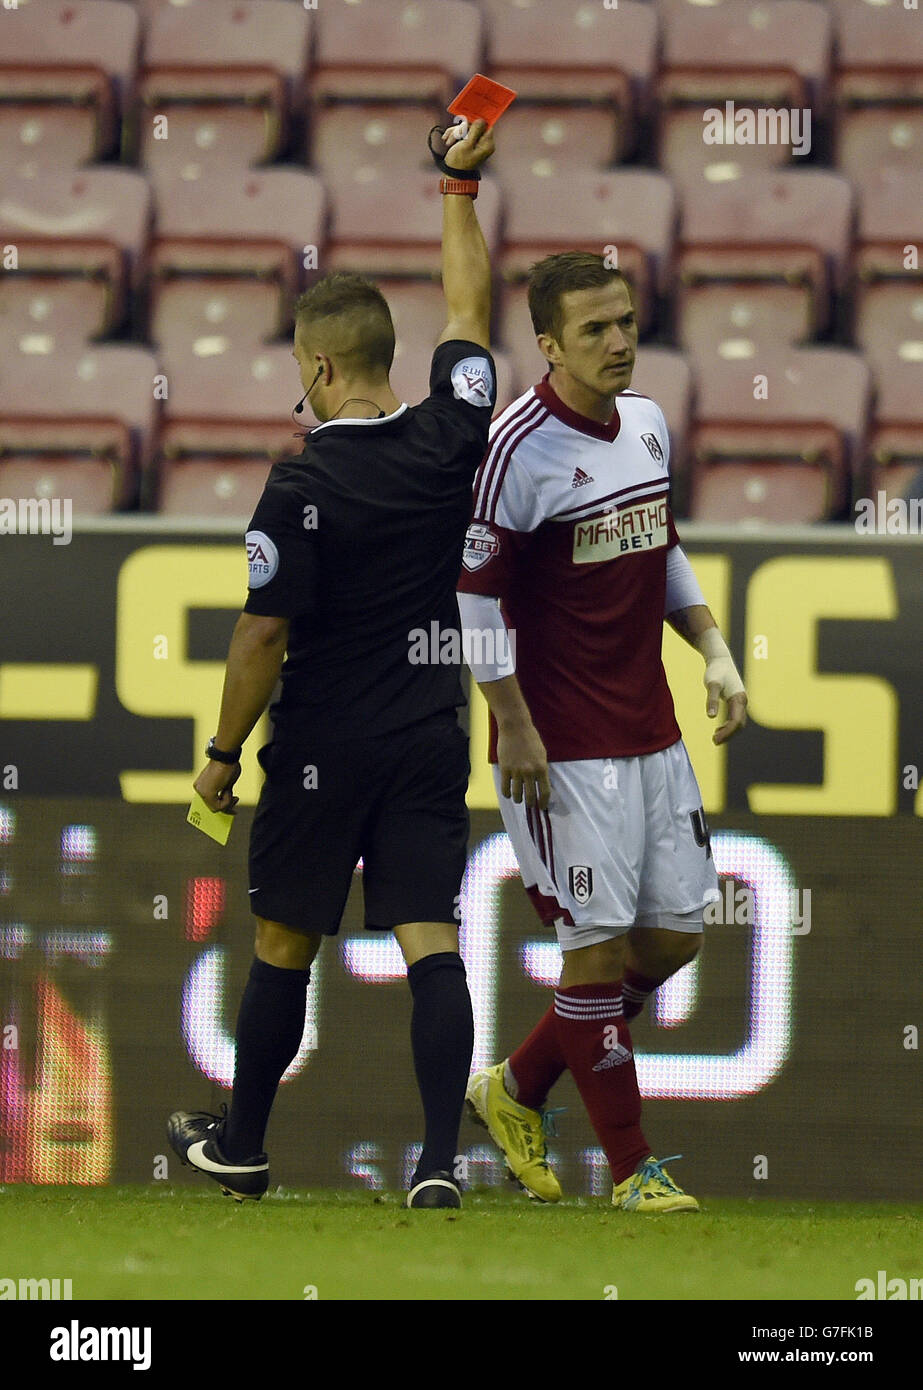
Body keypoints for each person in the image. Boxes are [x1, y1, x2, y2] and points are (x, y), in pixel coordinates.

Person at [167, 116, 497, 1210]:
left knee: (281, 942)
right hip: (422, 732)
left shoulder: (298, 486)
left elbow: (261, 635)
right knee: (430, 939)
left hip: (316, 743)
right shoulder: (450, 436)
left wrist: (220, 752)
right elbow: (470, 310)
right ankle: (440, 1164)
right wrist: (456, 190)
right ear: (389, 358)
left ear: (314, 364)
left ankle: (246, 1145)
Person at [456, 252, 748, 1213]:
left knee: (669, 942)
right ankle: (632, 1171)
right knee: (591, 952)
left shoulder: (651, 425)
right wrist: (514, 727)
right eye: (595, 330)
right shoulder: (516, 448)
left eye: (626, 321)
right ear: (548, 345)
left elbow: (657, 542)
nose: (620, 341)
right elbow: (474, 597)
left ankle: (514, 1089)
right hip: (560, 747)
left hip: (652, 732)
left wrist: (710, 647)